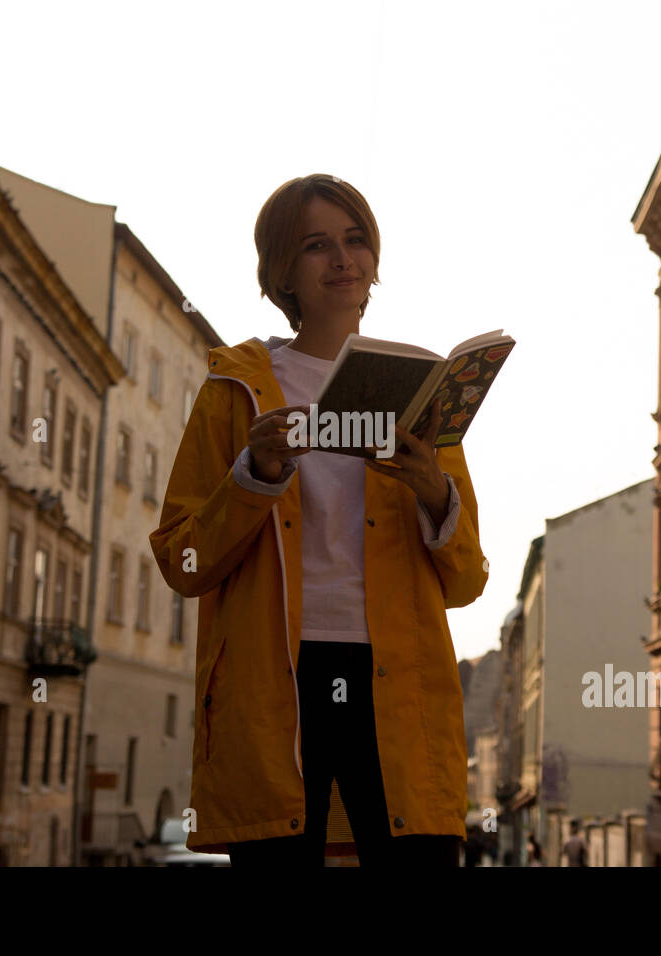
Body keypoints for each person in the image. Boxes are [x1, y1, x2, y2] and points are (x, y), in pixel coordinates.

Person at [150, 174, 490, 867]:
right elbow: (182, 560)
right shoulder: (236, 388)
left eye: (355, 240)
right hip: (276, 679)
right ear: (282, 271)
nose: (343, 259)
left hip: (400, 679)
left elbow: (465, 581)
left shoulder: (421, 384)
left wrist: (431, 487)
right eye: (316, 245)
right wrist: (258, 474)